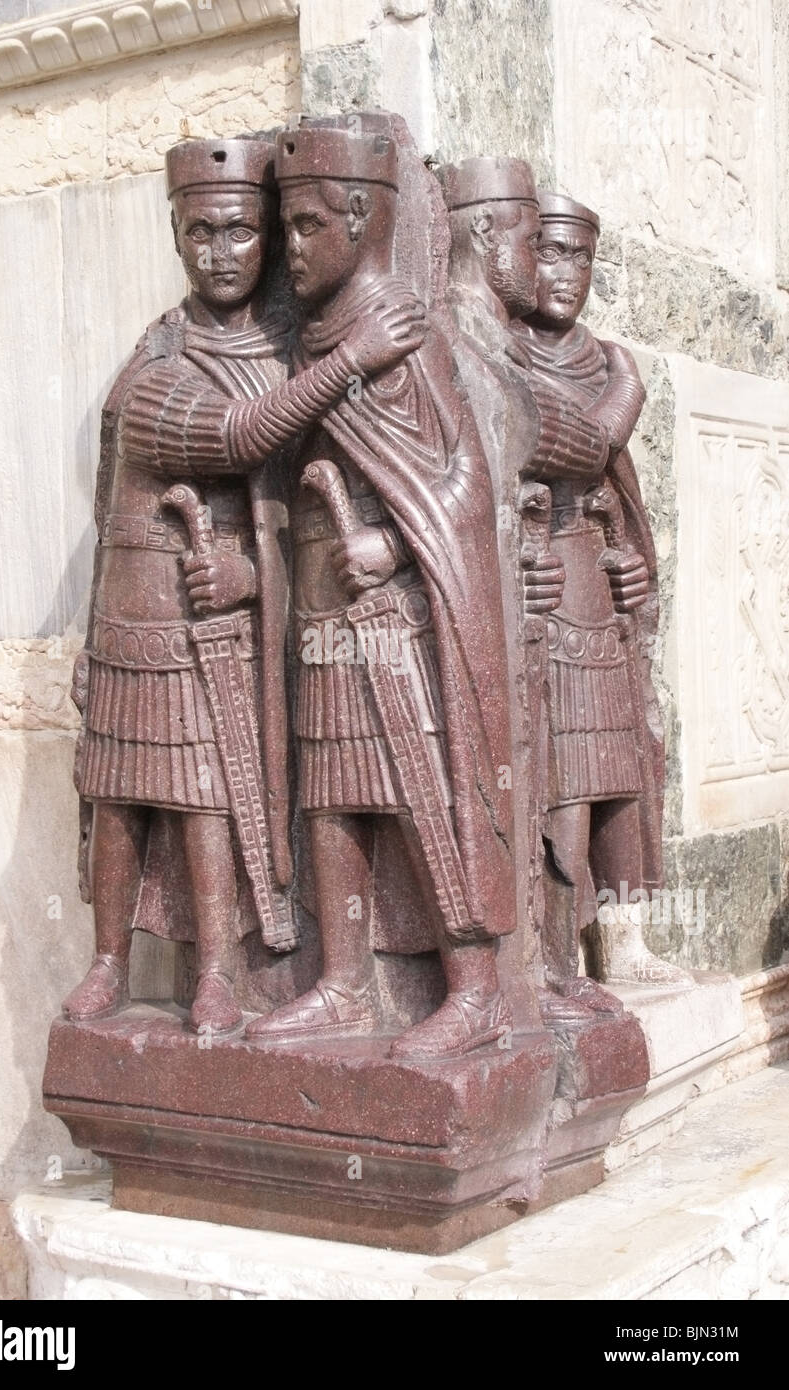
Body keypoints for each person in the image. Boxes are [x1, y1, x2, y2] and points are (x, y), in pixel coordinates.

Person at [63, 136, 426, 1034]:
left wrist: (250, 569)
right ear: (175, 236)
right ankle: (109, 960)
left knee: (205, 793)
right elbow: (230, 440)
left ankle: (221, 970)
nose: (221, 252)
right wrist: (353, 359)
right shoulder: (159, 358)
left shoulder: (285, 349)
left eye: (239, 232)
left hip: (231, 619)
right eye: (201, 233)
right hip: (139, 604)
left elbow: (294, 487)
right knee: (121, 794)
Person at [245, 120, 517, 1059]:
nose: (292, 247)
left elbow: (464, 483)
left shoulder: (404, 335)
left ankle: (474, 987)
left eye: (310, 225)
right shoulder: (320, 337)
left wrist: (396, 550)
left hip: (395, 611)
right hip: (324, 603)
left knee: (422, 789)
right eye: (285, 226)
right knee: (331, 791)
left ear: (363, 221)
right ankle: (345, 984)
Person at [511, 190, 690, 1002]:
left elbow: (616, 486)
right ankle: (555, 948)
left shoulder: (603, 356)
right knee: (566, 775)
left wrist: (632, 563)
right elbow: (551, 456)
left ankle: (621, 937)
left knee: (625, 763)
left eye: (577, 256)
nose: (562, 272)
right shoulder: (501, 352)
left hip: (599, 586)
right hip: (543, 589)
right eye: (546, 251)